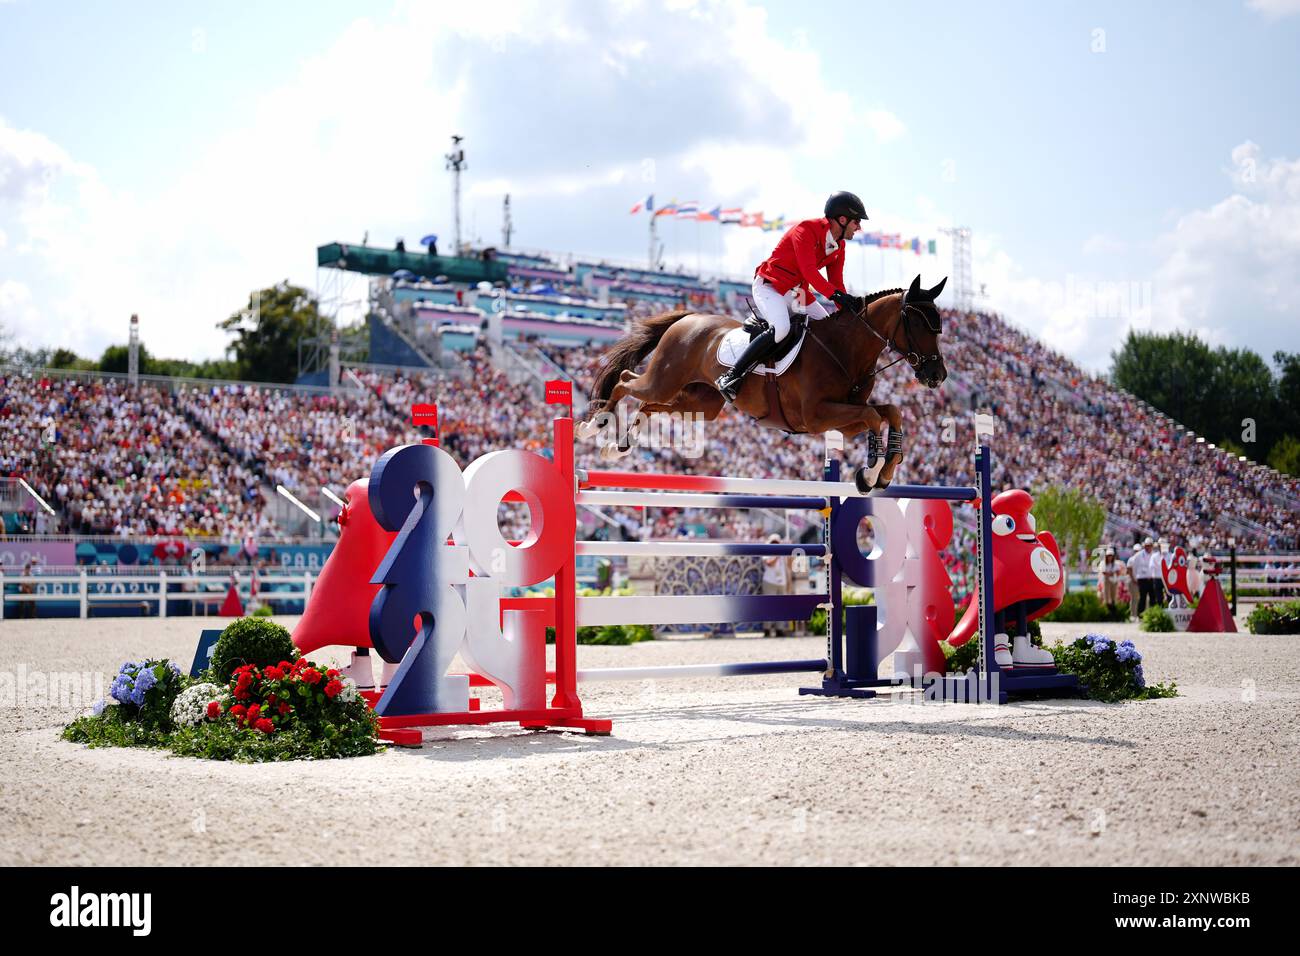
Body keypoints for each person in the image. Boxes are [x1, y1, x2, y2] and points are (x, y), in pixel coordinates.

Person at [715, 191, 868, 402]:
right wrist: (836, 296)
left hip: (797, 293)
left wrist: (847, 310)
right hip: (770, 286)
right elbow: (810, 273)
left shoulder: (839, 246)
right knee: (782, 329)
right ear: (842, 220)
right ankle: (731, 376)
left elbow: (836, 283)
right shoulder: (806, 230)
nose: (858, 228)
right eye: (856, 222)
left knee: (827, 327)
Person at [761, 533, 792, 637]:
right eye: (773, 542)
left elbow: (789, 565)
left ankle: (780, 629)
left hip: (781, 582)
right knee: (768, 606)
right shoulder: (766, 551)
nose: (775, 544)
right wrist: (778, 555)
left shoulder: (783, 553)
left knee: (781, 606)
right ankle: (767, 629)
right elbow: (769, 563)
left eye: (777, 543)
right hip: (769, 582)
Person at [1127, 537, 1162, 615]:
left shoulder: (1155, 555)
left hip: (1152, 579)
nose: (1148, 547)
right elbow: (1134, 567)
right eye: (1147, 545)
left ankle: (1152, 614)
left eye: (1150, 545)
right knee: (1142, 597)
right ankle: (1140, 615)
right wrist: (1136, 577)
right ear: (1144, 546)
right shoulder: (1138, 555)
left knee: (1153, 597)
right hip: (1142, 579)